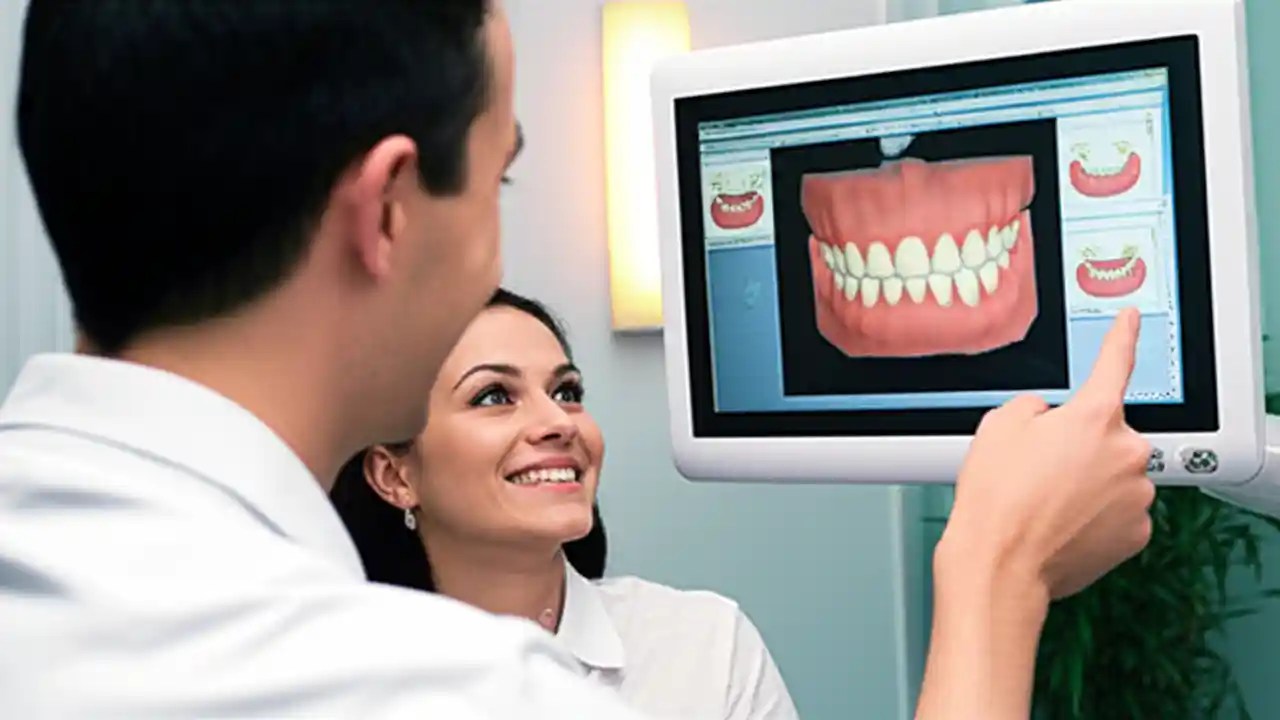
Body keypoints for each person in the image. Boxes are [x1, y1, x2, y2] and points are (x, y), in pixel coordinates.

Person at [0, 2, 1154, 718]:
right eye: (499, 177)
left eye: (561, 388)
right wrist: (997, 575)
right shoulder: (431, 692)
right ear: (389, 210)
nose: (549, 420)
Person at [330, 288, 800, 719]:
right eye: (494, 396)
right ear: (394, 475)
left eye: (566, 393)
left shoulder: (708, 648)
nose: (559, 421)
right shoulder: (328, 686)